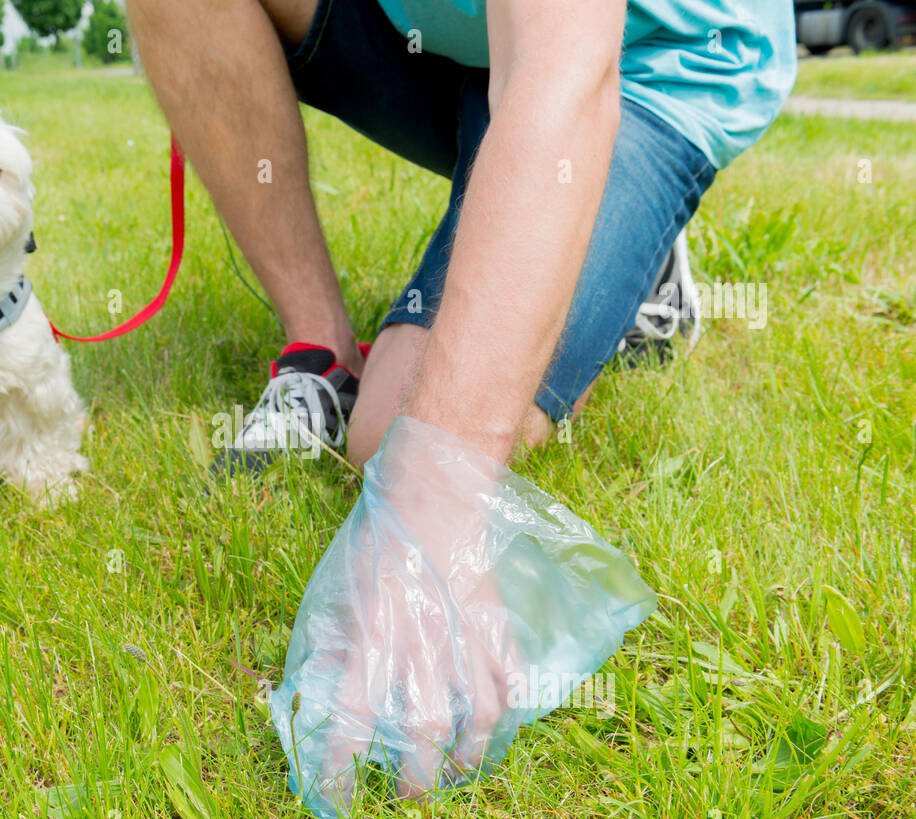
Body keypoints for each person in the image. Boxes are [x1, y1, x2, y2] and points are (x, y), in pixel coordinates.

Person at [128, 0, 795, 473]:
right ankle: (322, 356)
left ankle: (628, 248)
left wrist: (432, 513)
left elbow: (560, 64)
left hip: (640, 58)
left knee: (397, 438)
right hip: (444, 35)